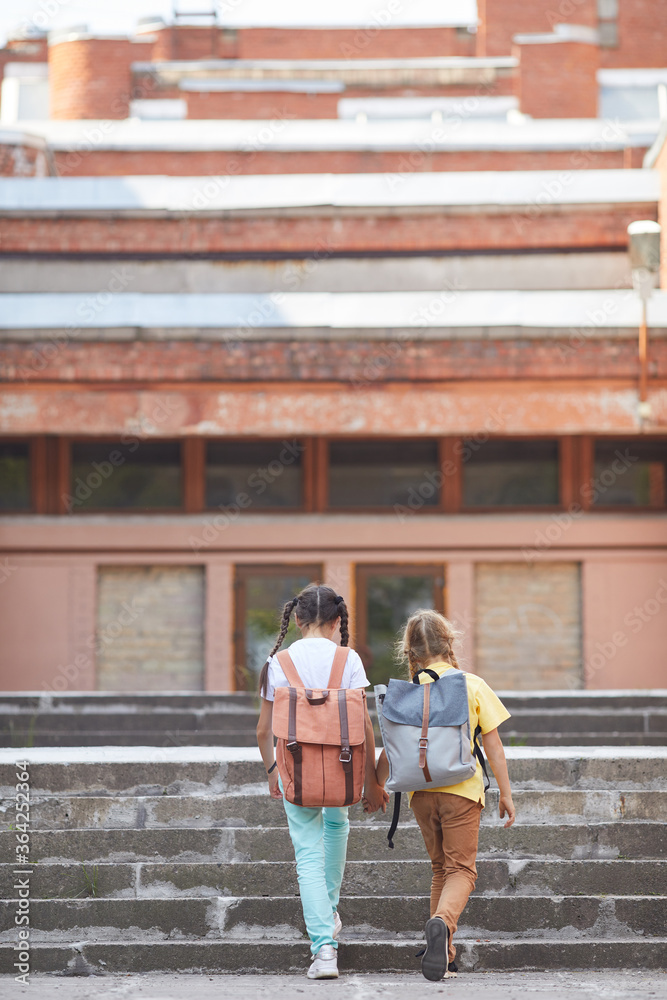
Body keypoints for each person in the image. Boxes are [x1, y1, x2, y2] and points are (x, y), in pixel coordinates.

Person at [370, 608, 515, 982]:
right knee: (462, 871)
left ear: (411, 652)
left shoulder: (408, 692)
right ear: (449, 643)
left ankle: (446, 956)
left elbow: (391, 748)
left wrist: (375, 783)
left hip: (421, 794)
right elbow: (494, 747)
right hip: (462, 792)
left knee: (440, 870)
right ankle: (442, 922)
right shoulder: (471, 684)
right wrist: (506, 793)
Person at [255, 583, 388, 980]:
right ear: (336, 623)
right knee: (337, 824)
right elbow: (363, 725)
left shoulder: (277, 662)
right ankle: (328, 916)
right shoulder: (348, 659)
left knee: (307, 854)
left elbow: (264, 731)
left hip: (296, 765)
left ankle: (324, 950)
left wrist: (272, 772)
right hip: (344, 765)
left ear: (297, 620)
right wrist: (372, 783)